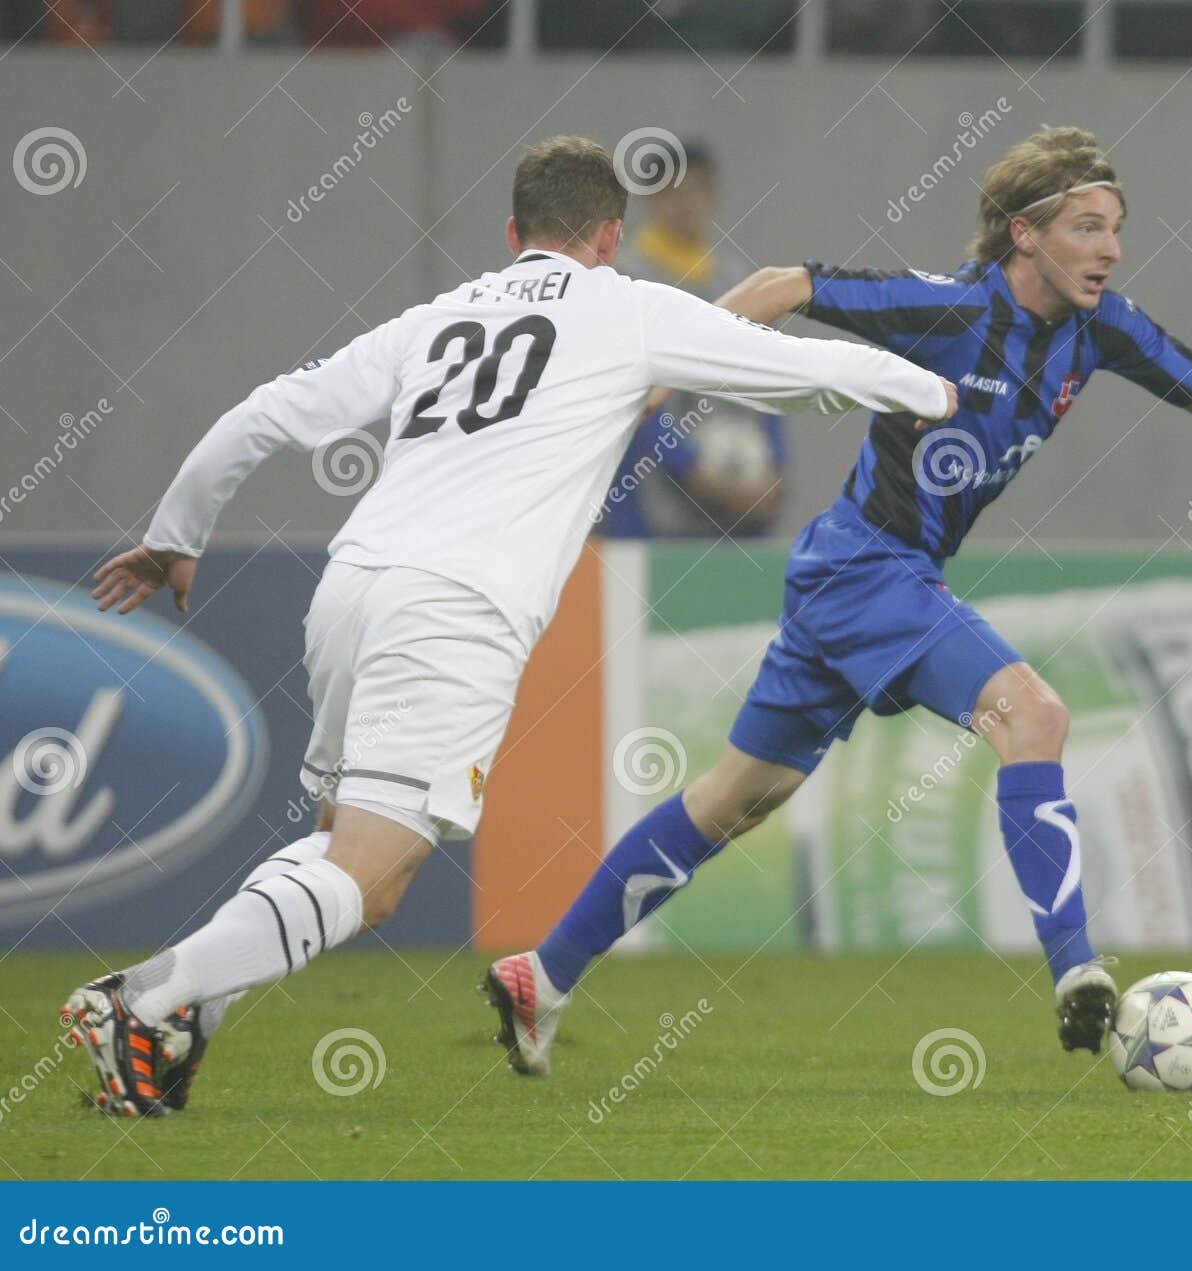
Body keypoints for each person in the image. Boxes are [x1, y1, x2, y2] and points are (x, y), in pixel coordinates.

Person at [65, 134, 956, 1118]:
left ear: (512, 231)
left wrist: (174, 536)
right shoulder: (627, 307)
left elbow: (265, 415)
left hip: (352, 587)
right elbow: (789, 367)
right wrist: (933, 388)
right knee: (368, 872)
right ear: (612, 234)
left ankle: (180, 1025)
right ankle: (143, 998)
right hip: (455, 609)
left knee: (343, 851)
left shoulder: (435, 317)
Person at [486, 126, 1192, 1075]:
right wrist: (664, 374)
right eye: (1089, 228)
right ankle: (1077, 969)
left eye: (1116, 230)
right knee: (1035, 714)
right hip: (866, 567)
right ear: (1026, 233)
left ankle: (542, 975)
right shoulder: (944, 310)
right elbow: (783, 283)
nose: (1111, 249)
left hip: (859, 579)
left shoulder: (1103, 329)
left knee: (734, 798)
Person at [603, 141, 787, 539]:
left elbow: (769, 378)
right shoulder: (627, 279)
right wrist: (692, 471)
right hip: (653, 509)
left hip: (738, 510)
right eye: (673, 192)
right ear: (651, 198)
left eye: (696, 190)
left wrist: (775, 471)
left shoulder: (739, 279)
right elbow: (631, 392)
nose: (686, 204)